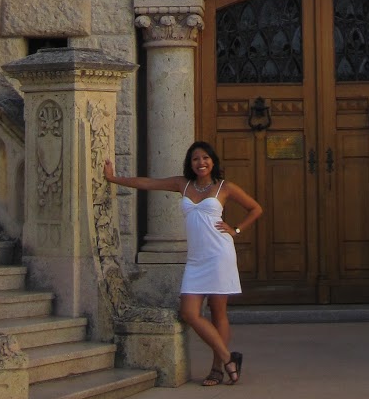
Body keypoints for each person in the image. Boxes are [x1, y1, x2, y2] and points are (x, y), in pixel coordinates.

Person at [105, 141, 262, 385]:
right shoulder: (183, 184)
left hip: (219, 254)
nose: (201, 163)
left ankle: (217, 368)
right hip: (196, 259)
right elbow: (148, 183)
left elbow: (255, 208)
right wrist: (114, 179)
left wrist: (236, 229)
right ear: (190, 164)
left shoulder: (224, 187)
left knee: (219, 312)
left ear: (213, 161)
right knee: (189, 312)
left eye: (205, 158)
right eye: (196, 159)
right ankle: (229, 357)